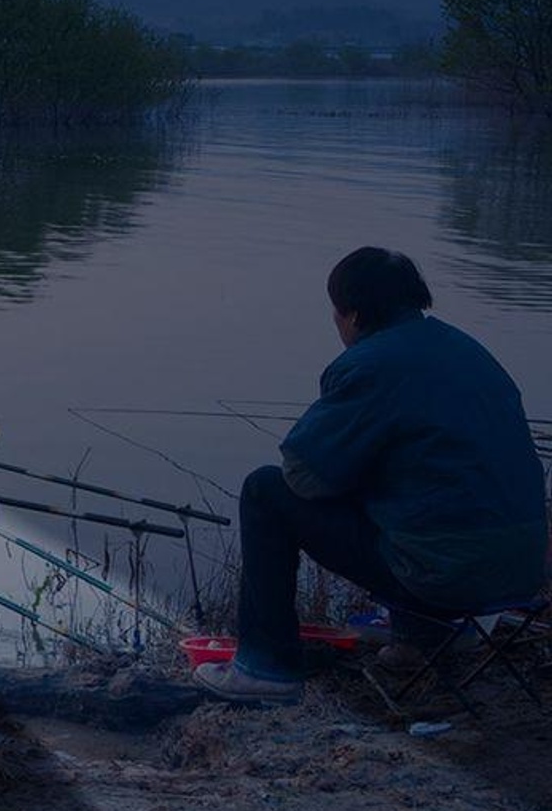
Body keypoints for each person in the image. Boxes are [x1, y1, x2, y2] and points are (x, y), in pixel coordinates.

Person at [196, 246, 549, 706]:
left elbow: (303, 476)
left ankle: (265, 668)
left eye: (336, 313)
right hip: (520, 574)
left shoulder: (369, 364)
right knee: (413, 493)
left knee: (264, 491)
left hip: (446, 577)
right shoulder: (470, 352)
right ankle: (423, 634)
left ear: (354, 314)